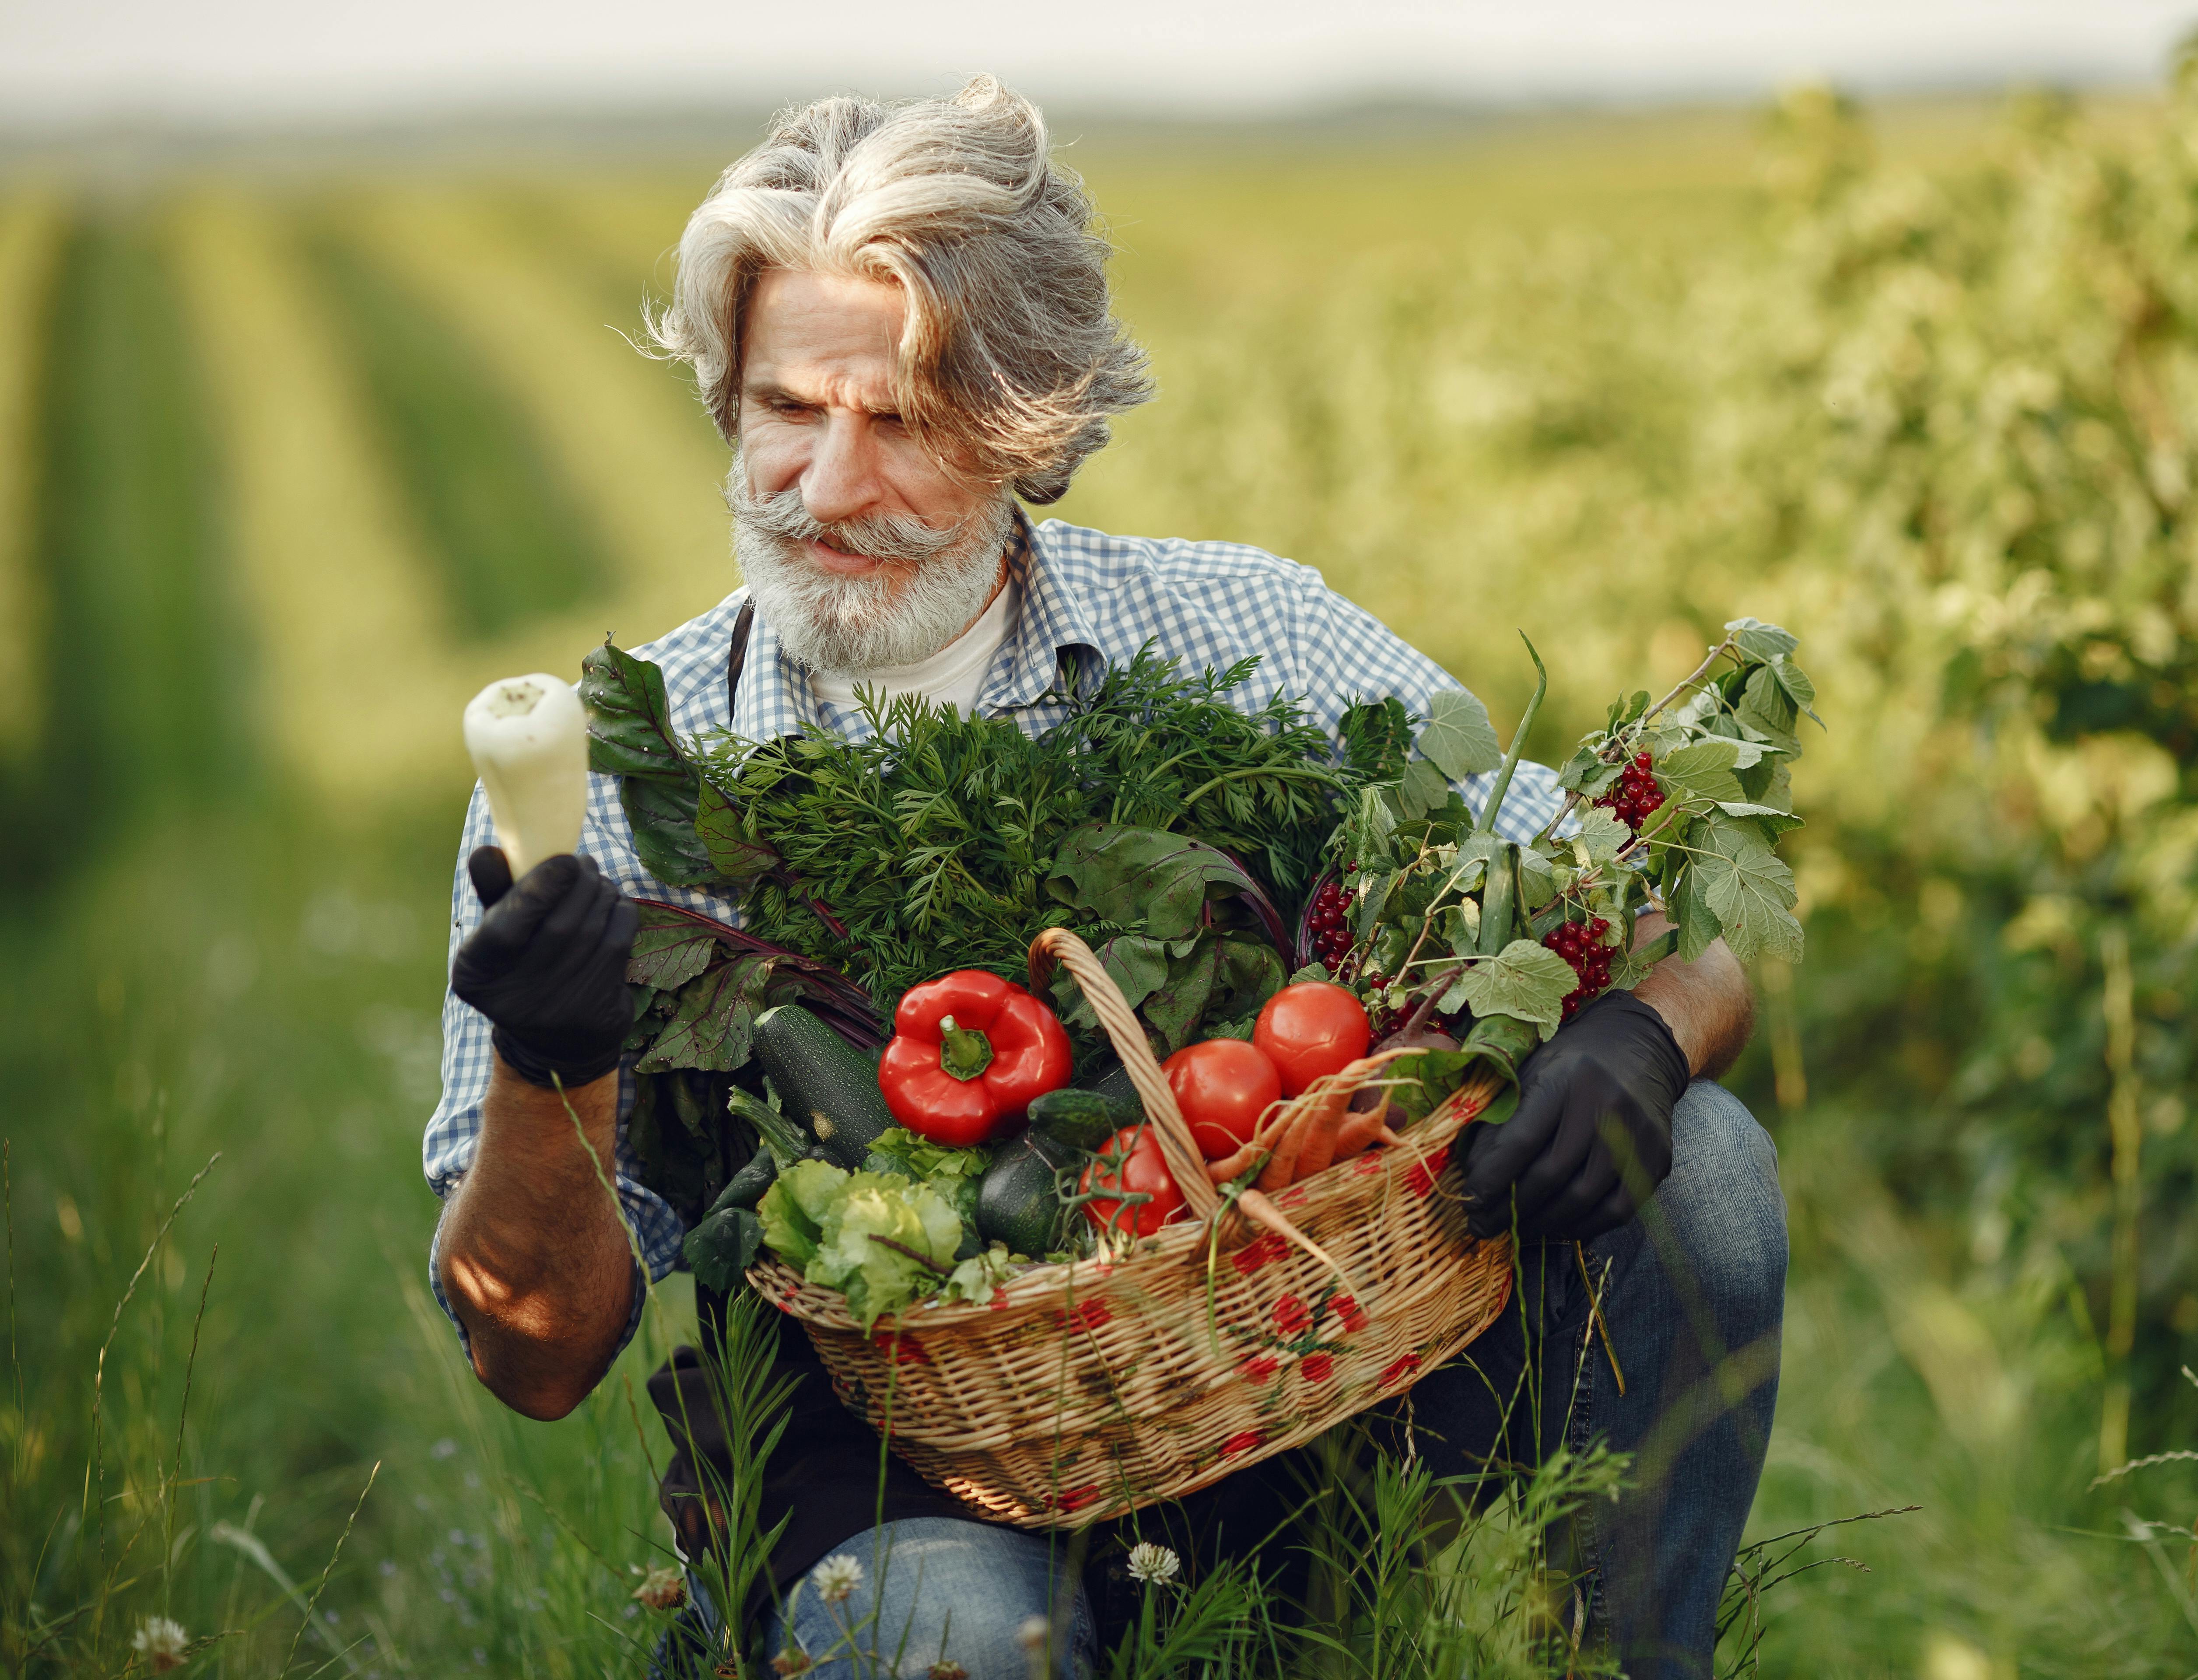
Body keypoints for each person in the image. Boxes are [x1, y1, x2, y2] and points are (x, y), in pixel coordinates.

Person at [422, 77, 1787, 1680]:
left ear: (1027, 423)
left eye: (905, 421)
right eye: (789, 409)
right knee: (957, 1645)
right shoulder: (596, 799)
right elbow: (532, 1355)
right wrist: (554, 1067)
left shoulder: (1252, 643)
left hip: (1302, 1400)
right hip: (879, 1491)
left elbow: (1668, 927)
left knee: (1702, 1165)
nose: (830, 489)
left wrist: (1646, 1032)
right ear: (733, 400)